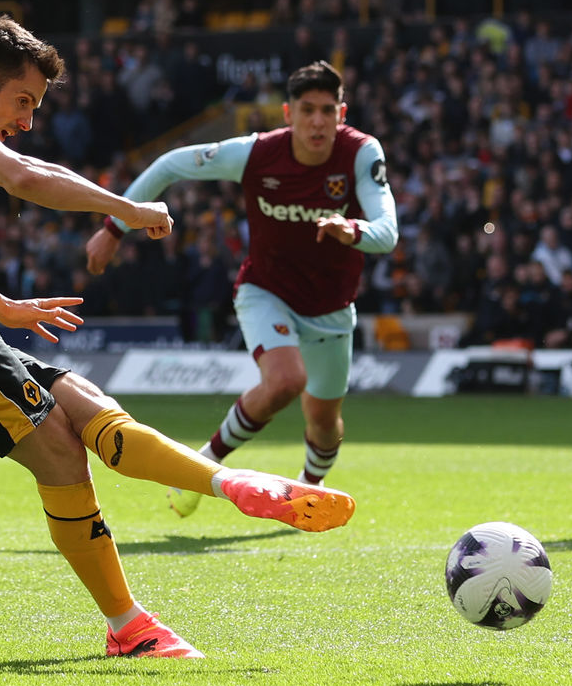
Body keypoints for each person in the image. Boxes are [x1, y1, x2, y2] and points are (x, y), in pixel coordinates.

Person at [0, 15, 355, 660]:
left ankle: (234, 485)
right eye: (23, 100)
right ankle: (129, 626)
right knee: (57, 447)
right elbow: (21, 175)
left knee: (83, 404)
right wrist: (126, 211)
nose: (25, 118)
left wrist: (2, 306)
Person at [85, 60, 398, 518]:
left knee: (325, 425)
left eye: (327, 111)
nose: (317, 121)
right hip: (264, 290)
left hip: (331, 306)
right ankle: (203, 466)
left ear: (341, 113)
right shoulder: (256, 154)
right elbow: (169, 164)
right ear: (288, 113)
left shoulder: (361, 154)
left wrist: (351, 229)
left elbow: (388, 231)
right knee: (286, 380)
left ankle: (307, 489)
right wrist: (115, 227)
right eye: (307, 110)